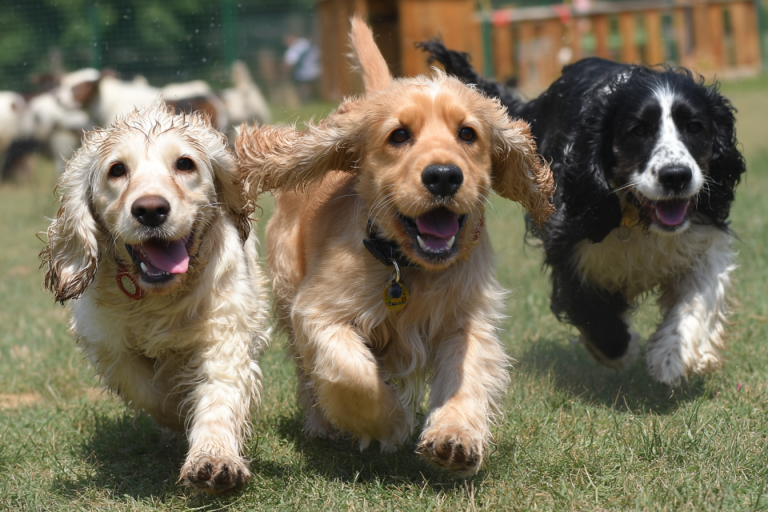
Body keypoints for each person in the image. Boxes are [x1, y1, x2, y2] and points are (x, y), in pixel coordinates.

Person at [283, 34, 321, 104]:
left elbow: (290, 63)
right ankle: (313, 101)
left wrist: (284, 73)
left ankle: (305, 102)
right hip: (316, 70)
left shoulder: (294, 49)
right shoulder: (303, 43)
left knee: (303, 89)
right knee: (312, 88)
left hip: (304, 73)